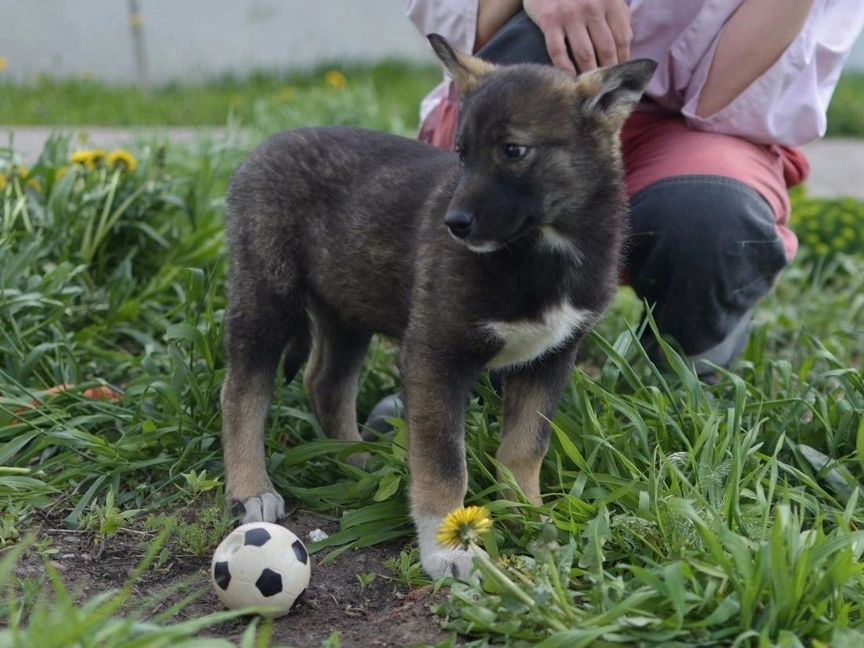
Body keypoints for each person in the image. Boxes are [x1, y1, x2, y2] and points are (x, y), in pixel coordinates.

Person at [366, 0, 864, 429]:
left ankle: (685, 376)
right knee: (531, 60)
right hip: (520, 110)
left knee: (708, 214)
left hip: (695, 134)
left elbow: (724, 104)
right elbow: (451, 29)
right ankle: (459, 365)